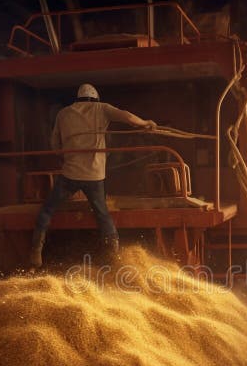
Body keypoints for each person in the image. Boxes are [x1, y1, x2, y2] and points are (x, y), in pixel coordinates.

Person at [30, 83, 156, 267]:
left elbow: (54, 143)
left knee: (48, 209)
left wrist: (65, 154)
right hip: (94, 176)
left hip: (70, 175)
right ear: (95, 98)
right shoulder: (102, 108)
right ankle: (114, 256)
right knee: (103, 214)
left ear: (78, 98)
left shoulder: (64, 113)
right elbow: (127, 116)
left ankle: (35, 252)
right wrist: (146, 123)